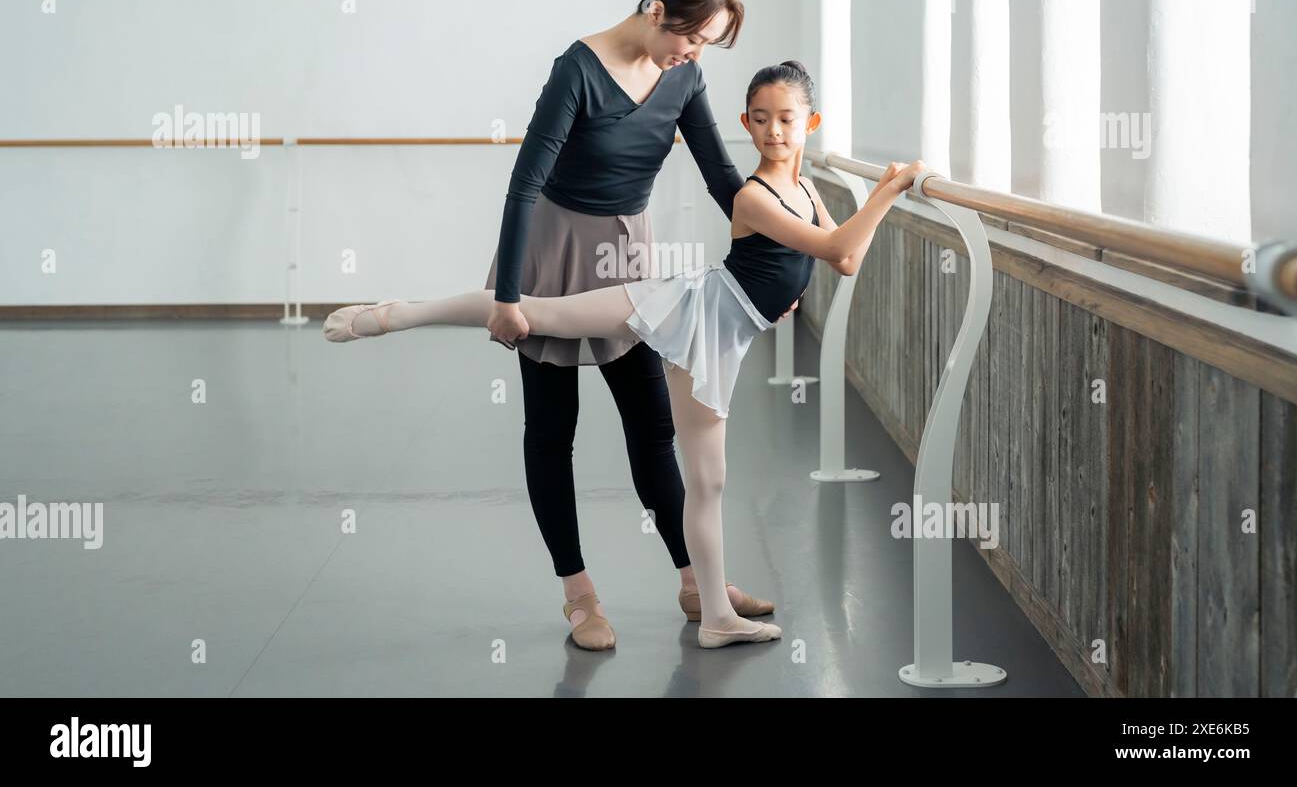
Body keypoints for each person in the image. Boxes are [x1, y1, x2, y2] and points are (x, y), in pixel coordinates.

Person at [324, 58, 928, 647]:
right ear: (745, 123)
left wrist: (798, 279)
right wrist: (889, 189)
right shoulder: (752, 196)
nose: (774, 131)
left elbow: (838, 257)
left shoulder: (804, 190)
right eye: (761, 118)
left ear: (811, 125)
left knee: (691, 465)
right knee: (547, 326)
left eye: (787, 120)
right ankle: (393, 316)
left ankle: (707, 598)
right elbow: (842, 249)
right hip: (699, 325)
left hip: (704, 314)